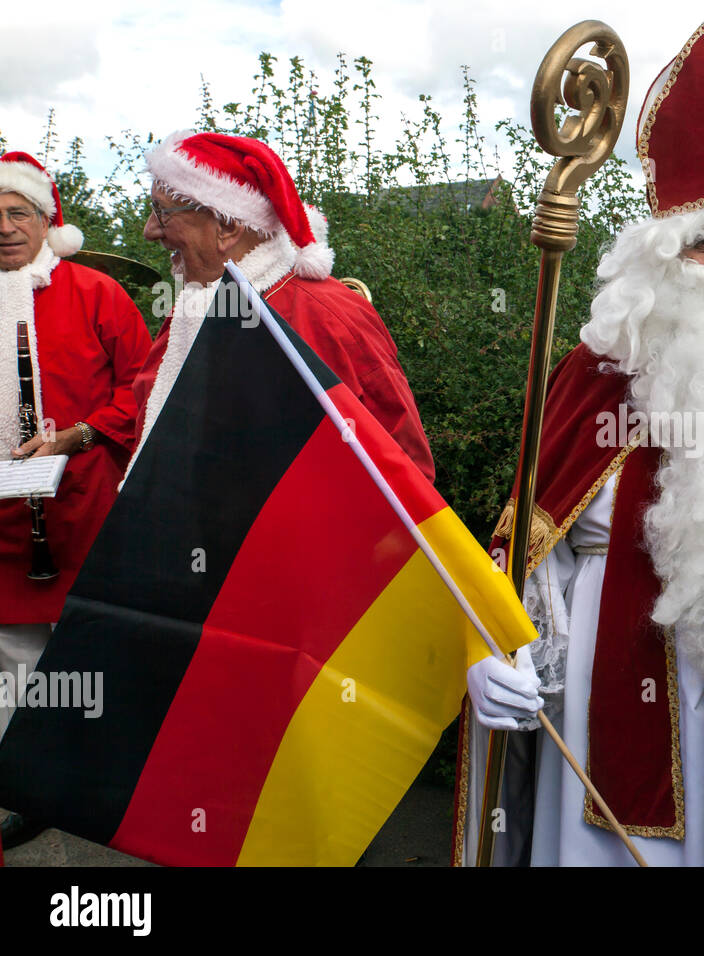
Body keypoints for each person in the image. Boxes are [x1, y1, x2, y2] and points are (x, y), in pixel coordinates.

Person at [454, 0, 704, 866]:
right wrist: (498, 647)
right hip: (605, 699)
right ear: (665, 250)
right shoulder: (601, 371)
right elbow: (530, 545)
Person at [133, 131, 435, 484]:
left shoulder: (328, 317)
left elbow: (405, 476)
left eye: (162, 212)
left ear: (227, 227)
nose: (150, 231)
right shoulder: (194, 307)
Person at [0, 151, 152, 847]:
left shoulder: (97, 293)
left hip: (84, 503)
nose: (3, 227)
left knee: (91, 647)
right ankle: (26, 786)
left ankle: (103, 782)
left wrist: (83, 434)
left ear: (45, 220)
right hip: (3, 520)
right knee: (12, 658)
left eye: (16, 212)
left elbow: (144, 390)